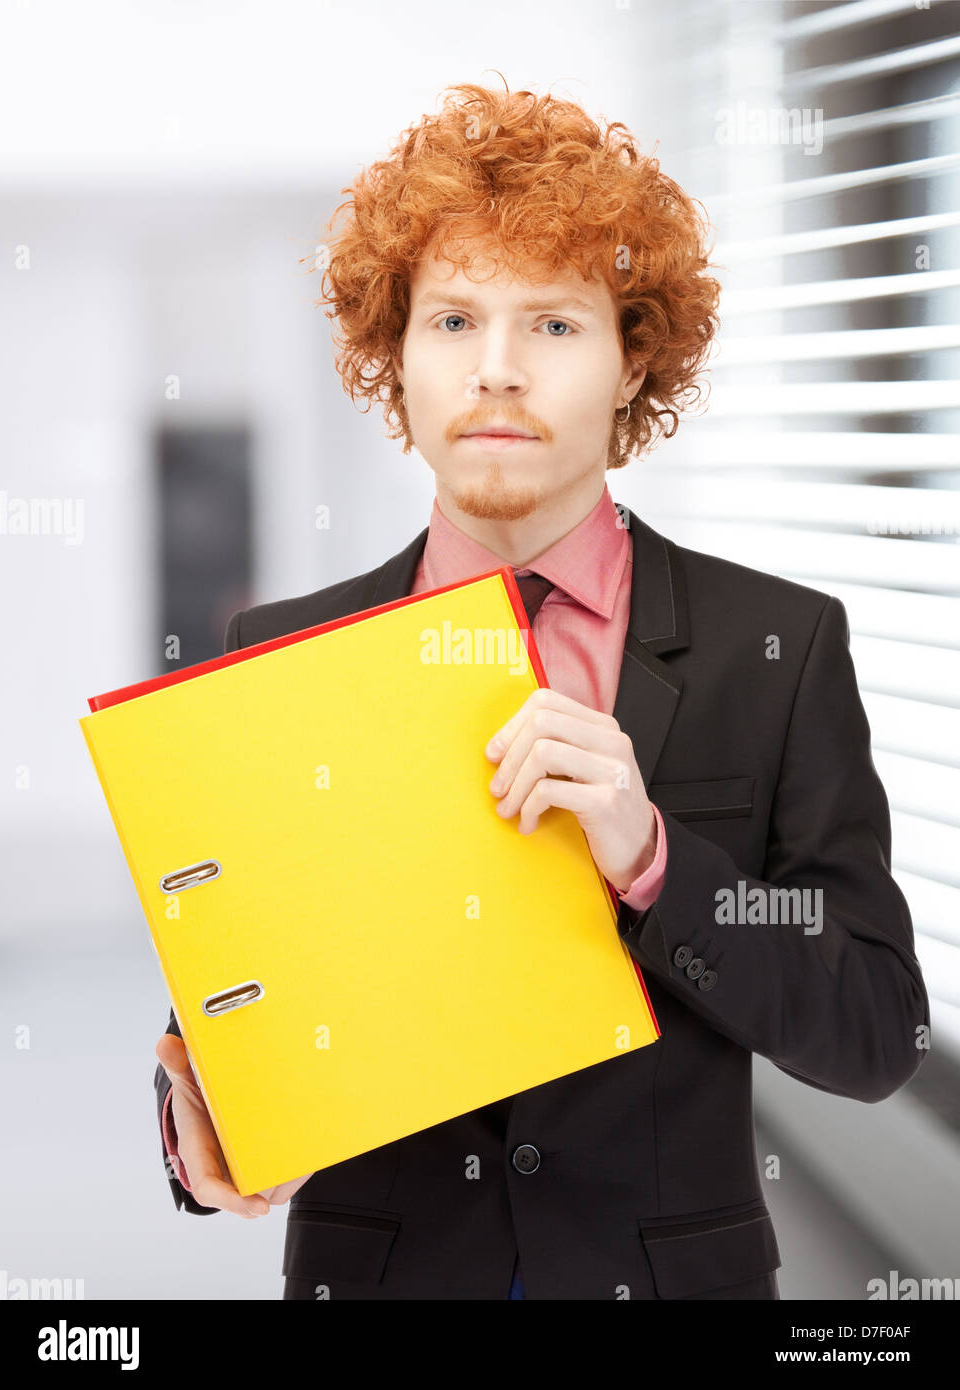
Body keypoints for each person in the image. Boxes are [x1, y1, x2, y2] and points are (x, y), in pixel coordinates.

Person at [154, 79, 930, 1300]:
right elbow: (233, 995)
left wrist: (660, 862)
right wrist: (195, 1106)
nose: (498, 371)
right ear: (392, 359)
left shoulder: (774, 647)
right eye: (453, 322)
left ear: (632, 366)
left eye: (555, 326)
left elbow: (878, 1028)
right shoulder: (279, 652)